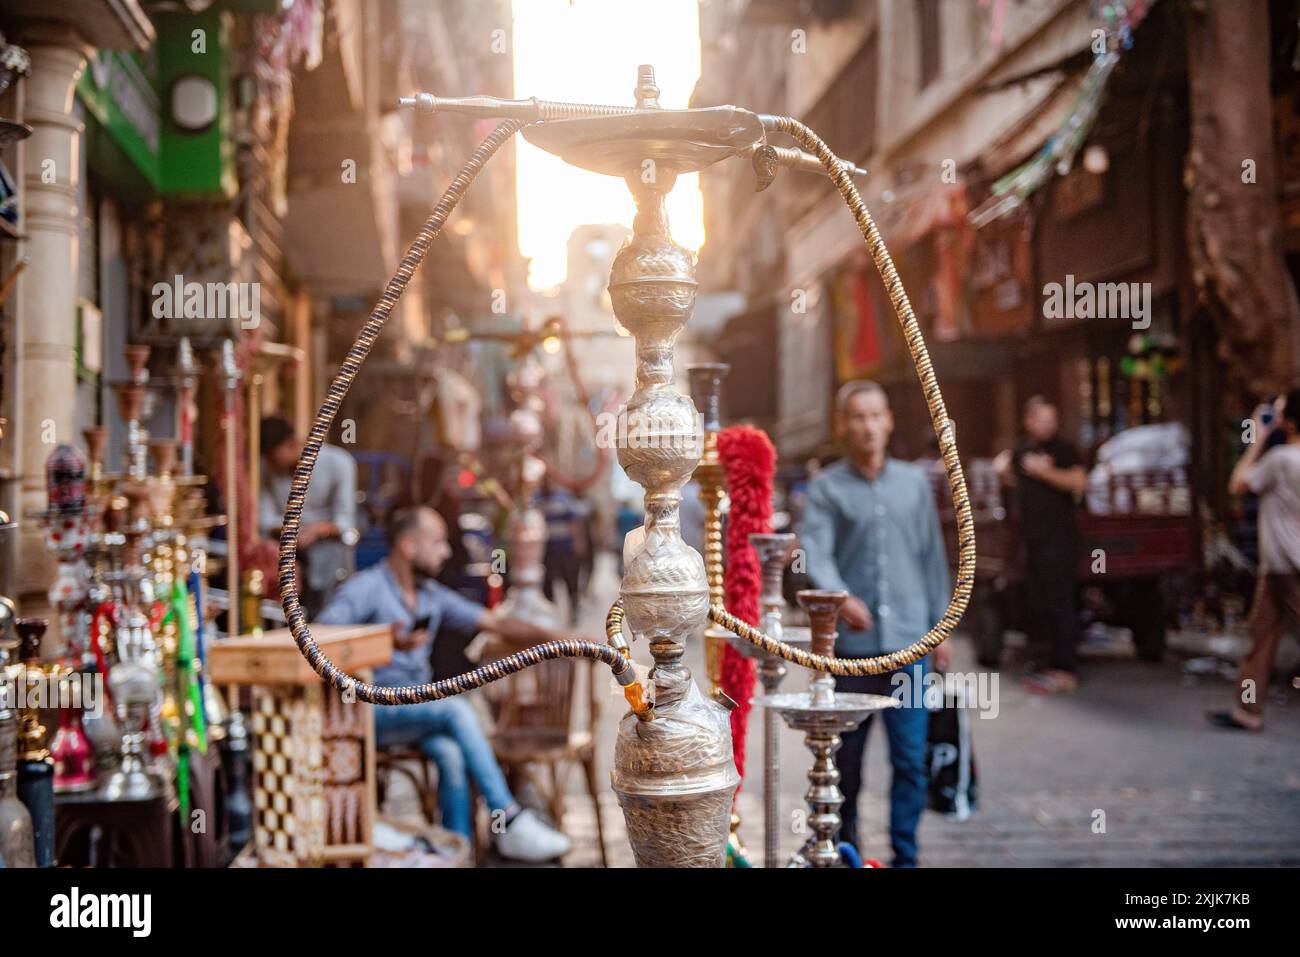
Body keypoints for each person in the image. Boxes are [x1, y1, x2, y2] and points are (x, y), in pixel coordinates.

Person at [315, 506, 573, 862]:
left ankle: (454, 853)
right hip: (369, 710)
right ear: (408, 546)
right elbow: (319, 640)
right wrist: (381, 640)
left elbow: (496, 624)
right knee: (455, 708)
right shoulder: (366, 588)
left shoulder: (431, 595)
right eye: (437, 542)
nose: (447, 551)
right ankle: (508, 817)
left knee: (451, 753)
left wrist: (562, 638)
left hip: (417, 714)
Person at [799, 380, 951, 868]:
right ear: (844, 425)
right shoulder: (826, 489)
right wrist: (840, 597)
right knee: (847, 764)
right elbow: (814, 553)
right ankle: (849, 855)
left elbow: (932, 559)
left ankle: (906, 856)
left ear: (888, 421)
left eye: (875, 416)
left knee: (910, 759)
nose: (867, 427)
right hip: (852, 653)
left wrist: (941, 628)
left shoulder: (913, 485)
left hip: (912, 648)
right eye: (857, 418)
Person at [1210, 389, 1300, 731]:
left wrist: (1257, 438)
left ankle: (1248, 710)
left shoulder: (1280, 460)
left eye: (1279, 412)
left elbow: (1237, 483)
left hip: (1288, 567)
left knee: (1260, 641)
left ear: (1289, 421)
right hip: (1276, 566)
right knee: (1260, 641)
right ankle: (1247, 710)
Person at [993, 396, 1088, 694]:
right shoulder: (1022, 449)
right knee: (1040, 602)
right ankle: (1048, 663)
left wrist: (1041, 471)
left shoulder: (1065, 449)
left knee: (1062, 603)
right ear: (1029, 421)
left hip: (1060, 539)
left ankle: (1065, 668)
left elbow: (1078, 482)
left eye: (1052, 419)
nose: (1048, 425)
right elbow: (1002, 468)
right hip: (1031, 541)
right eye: (1042, 419)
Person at [259, 415, 358, 618]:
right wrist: (293, 533)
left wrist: (316, 531)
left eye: (273, 455)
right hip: (287, 546)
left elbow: (345, 520)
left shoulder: (339, 463)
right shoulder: (268, 470)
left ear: (292, 444)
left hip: (329, 548)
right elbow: (265, 520)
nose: (270, 462)